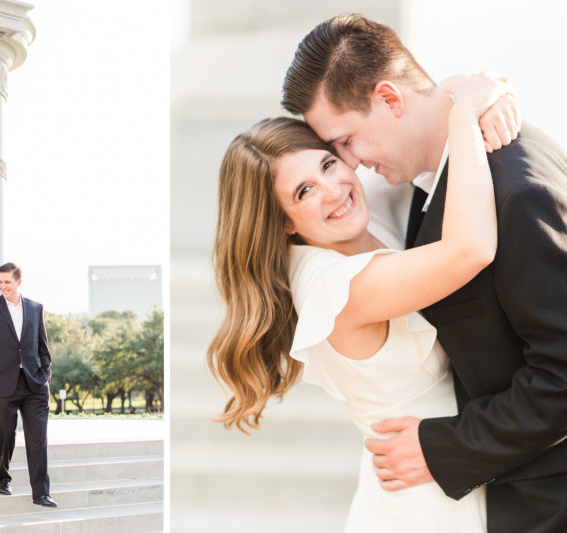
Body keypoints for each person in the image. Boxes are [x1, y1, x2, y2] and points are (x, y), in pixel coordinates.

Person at [281, 14, 567, 533]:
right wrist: (467, 93)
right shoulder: (415, 184)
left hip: (544, 504)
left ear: (391, 100)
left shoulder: (519, 193)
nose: (349, 165)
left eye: (345, 141)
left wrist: (445, 446)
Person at [209, 74, 517, 531]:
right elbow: (468, 250)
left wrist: (483, 97)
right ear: (283, 224)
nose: (333, 190)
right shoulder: (334, 286)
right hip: (422, 496)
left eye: (328, 163)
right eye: (303, 192)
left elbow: (417, 132)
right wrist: (464, 114)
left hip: (448, 462)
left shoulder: (355, 213)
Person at [0, 262, 56, 508]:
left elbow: (42, 346)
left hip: (35, 384)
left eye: (7, 282)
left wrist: (45, 372)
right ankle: (2, 478)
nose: (3, 286)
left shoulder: (36, 308)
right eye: (0, 282)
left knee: (38, 438)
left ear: (19, 281)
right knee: (4, 434)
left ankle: (41, 493)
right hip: (2, 383)